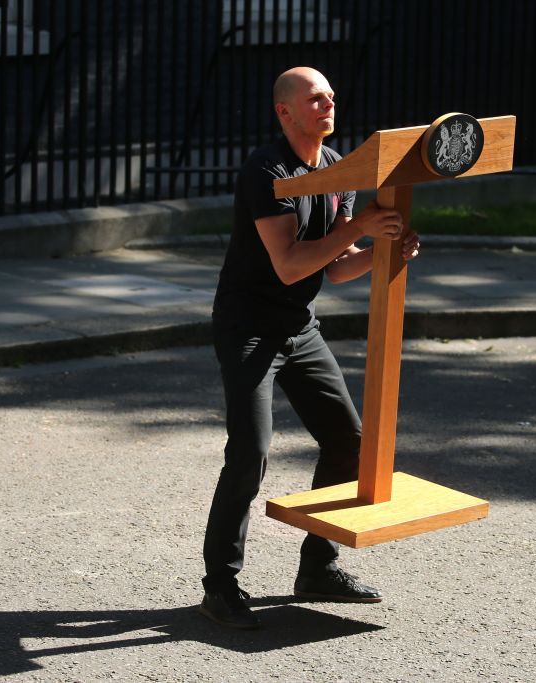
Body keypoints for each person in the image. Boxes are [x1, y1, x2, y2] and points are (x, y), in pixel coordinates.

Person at [199, 67, 420, 630]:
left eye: (330, 97)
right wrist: (361, 225)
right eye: (315, 98)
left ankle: (318, 568)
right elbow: (291, 263)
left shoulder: (337, 169)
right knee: (250, 452)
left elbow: (335, 265)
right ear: (285, 112)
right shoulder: (267, 171)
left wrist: (384, 249)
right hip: (249, 329)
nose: (328, 104)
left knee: (348, 441)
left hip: (300, 327)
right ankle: (220, 585)